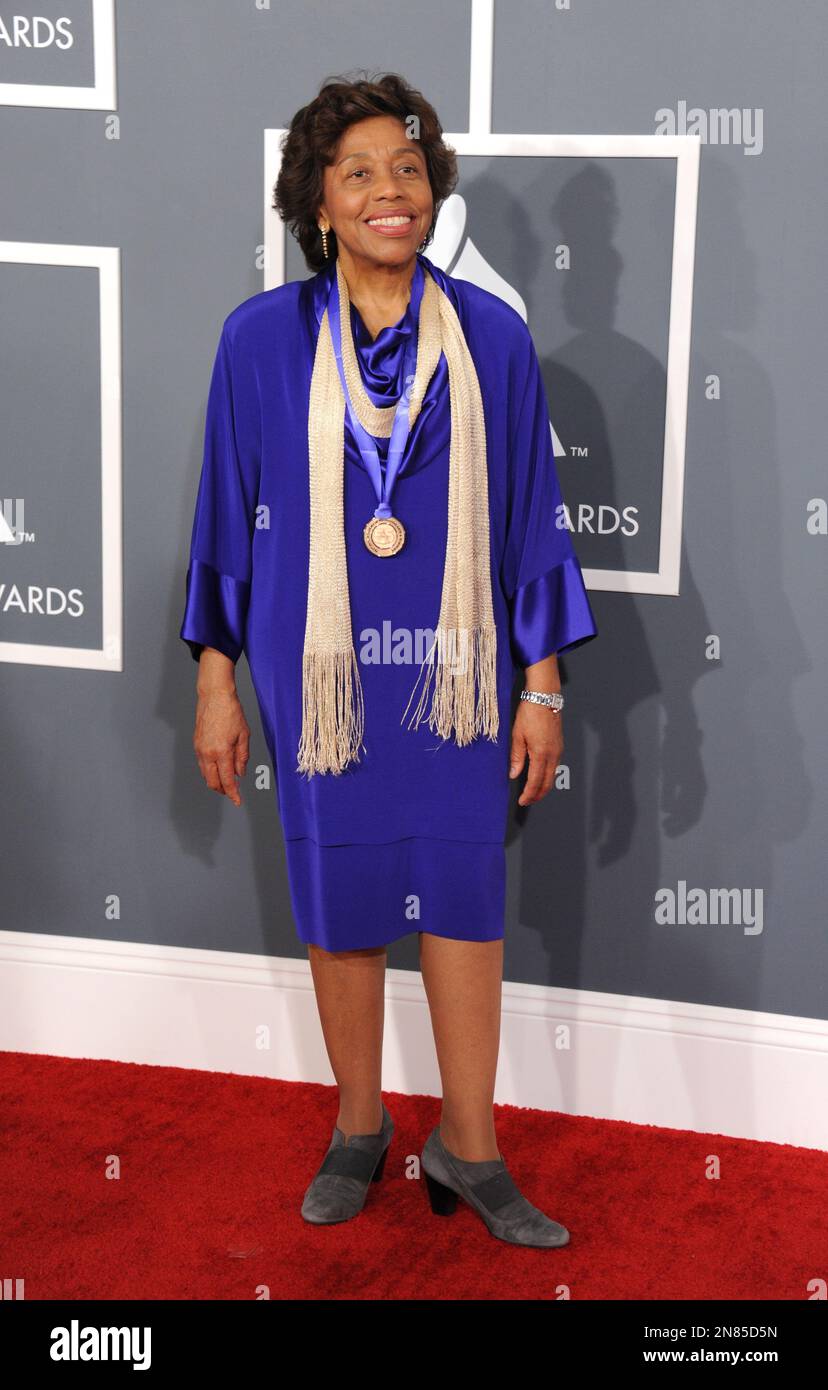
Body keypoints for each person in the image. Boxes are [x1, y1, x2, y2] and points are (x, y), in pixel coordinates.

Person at [180, 72, 598, 1249]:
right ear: (317, 203)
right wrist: (214, 678)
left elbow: (529, 522)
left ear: (434, 189)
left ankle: (470, 1150)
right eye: (357, 171)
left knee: (464, 897)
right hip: (317, 679)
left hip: (452, 672)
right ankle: (359, 1128)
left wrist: (543, 682)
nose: (388, 192)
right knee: (344, 896)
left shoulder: (494, 340)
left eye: (407, 169)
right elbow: (225, 516)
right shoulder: (259, 341)